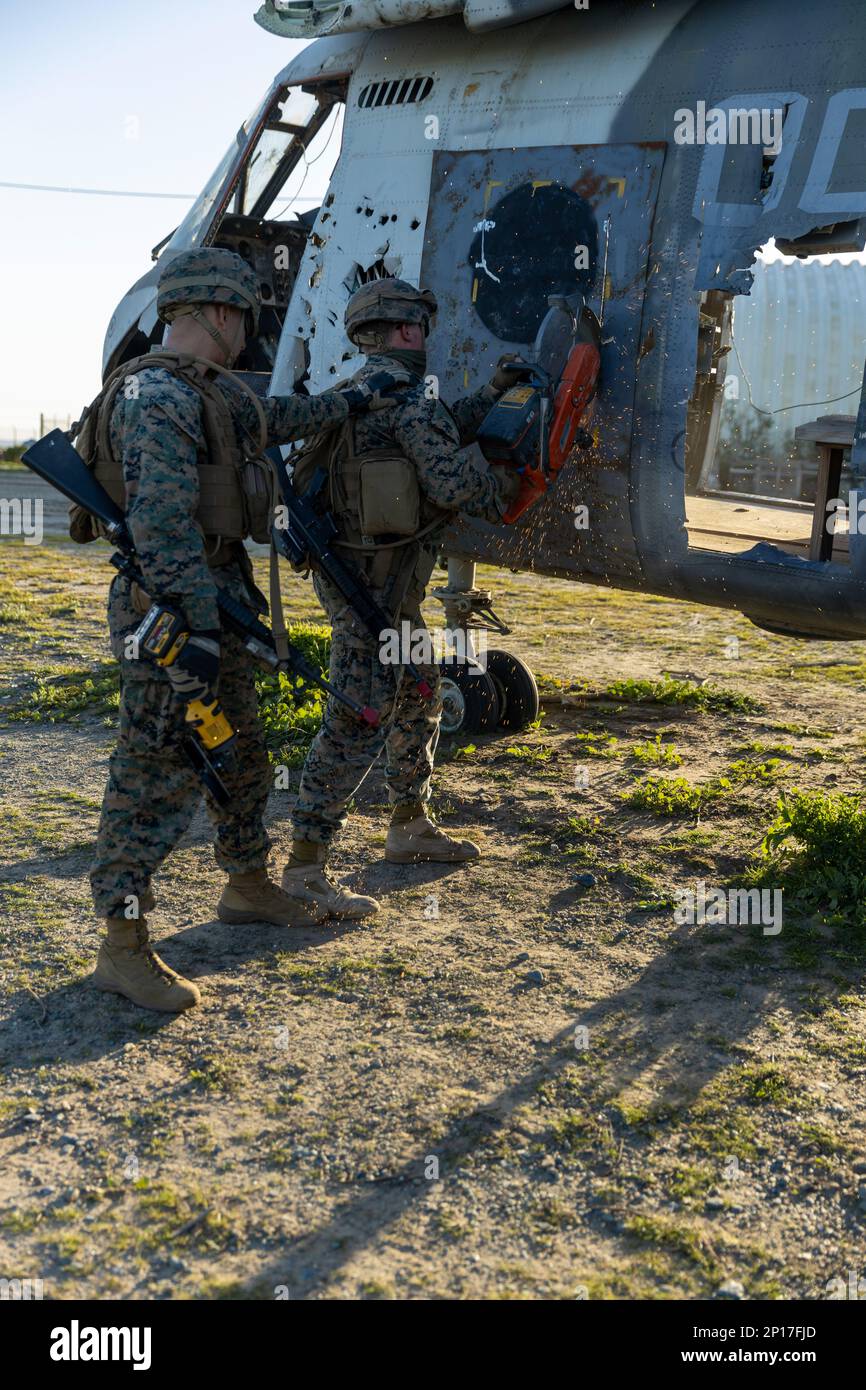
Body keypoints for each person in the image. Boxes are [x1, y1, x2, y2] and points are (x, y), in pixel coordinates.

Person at [89, 247, 399, 1012]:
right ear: (221, 312)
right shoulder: (157, 396)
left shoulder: (211, 395)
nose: (247, 335)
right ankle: (121, 947)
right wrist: (191, 633)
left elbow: (278, 418)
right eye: (244, 319)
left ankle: (248, 885)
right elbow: (162, 528)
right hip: (173, 608)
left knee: (240, 755)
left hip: (213, 597)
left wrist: (355, 398)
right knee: (154, 774)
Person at [281, 278, 523, 921]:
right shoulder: (406, 400)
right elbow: (451, 479)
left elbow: (435, 430)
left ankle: (408, 826)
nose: (424, 336)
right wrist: (508, 472)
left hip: (373, 587)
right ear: (407, 329)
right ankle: (304, 867)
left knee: (418, 691)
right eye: (420, 325)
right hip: (375, 597)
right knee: (357, 720)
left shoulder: (358, 395)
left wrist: (494, 392)